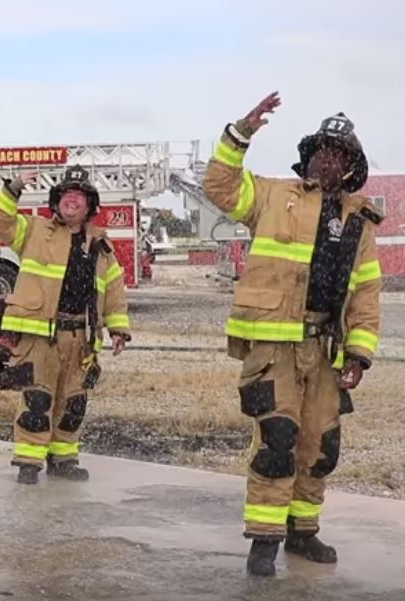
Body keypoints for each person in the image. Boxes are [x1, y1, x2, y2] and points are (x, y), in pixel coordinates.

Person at [202, 92, 382, 576]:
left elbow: (366, 294)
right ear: (310, 154)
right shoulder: (271, 196)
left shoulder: (358, 222)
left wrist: (359, 354)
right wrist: (241, 132)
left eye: (339, 153)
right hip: (273, 348)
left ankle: (303, 531)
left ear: (350, 166)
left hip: (324, 351)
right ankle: (264, 541)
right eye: (323, 149)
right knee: (277, 439)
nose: (329, 158)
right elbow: (219, 186)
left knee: (320, 446)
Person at [0, 166, 131, 484]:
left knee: (73, 401)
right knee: (38, 398)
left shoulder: (102, 245)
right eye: (66, 194)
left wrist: (118, 328)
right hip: (40, 334)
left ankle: (63, 459)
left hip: (81, 337)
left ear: (89, 206)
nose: (71, 199)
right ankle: (29, 462)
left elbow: (113, 289)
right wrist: (14, 188)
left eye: (78, 195)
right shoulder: (35, 230)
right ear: (56, 201)